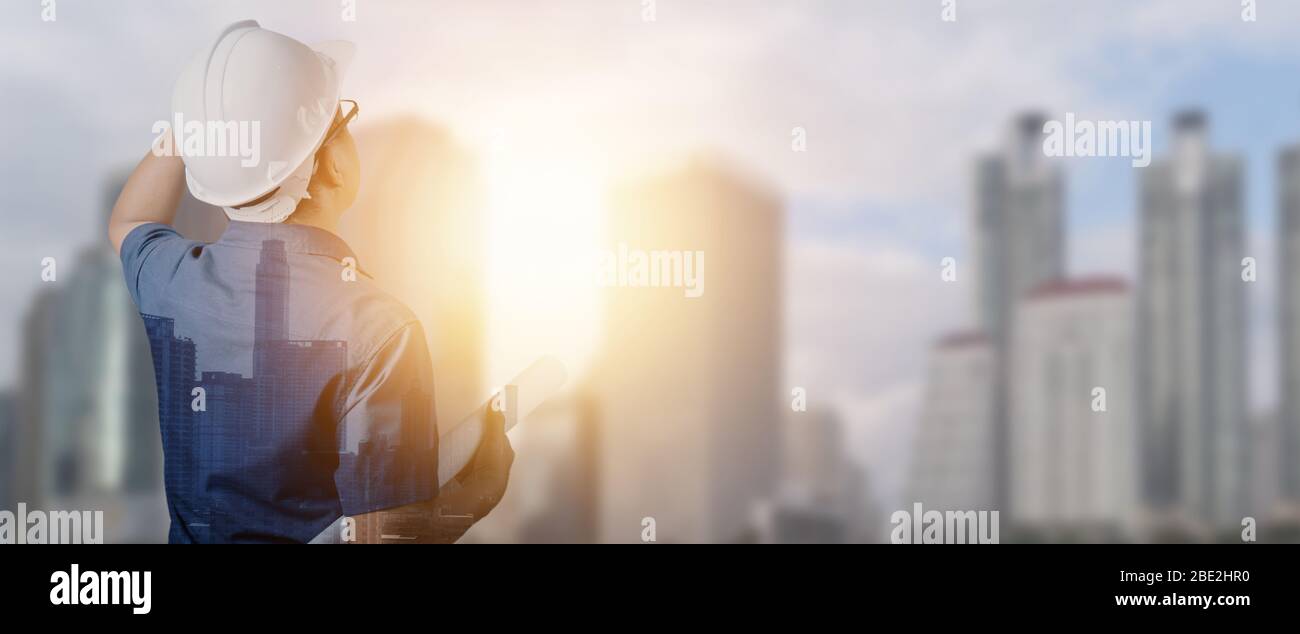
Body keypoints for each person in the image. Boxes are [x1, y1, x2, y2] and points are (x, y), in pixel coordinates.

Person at [107, 20, 512, 543]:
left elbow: (127, 221)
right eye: (342, 119)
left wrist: (204, 126)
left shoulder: (173, 281)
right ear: (333, 168)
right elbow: (384, 540)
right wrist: (472, 501)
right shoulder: (380, 331)